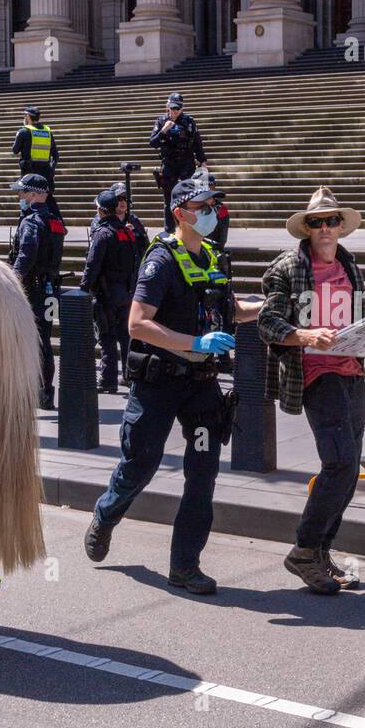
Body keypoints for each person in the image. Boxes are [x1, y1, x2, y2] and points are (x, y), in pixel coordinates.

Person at [83, 178, 262, 595]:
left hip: (201, 386)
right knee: (140, 466)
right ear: (180, 211)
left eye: (214, 206)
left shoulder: (215, 257)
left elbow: (229, 309)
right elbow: (137, 324)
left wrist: (269, 307)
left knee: (202, 476)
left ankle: (185, 566)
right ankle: (106, 515)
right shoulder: (161, 260)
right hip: (159, 382)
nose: (212, 212)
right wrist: (194, 342)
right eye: (203, 206)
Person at [258, 188, 365, 594]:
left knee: (349, 468)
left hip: (352, 370)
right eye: (317, 222)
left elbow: (356, 320)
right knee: (338, 463)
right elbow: (268, 324)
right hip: (316, 374)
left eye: (331, 221)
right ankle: (304, 550)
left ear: (341, 227)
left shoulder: (348, 264)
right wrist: (305, 335)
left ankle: (320, 551)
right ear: (307, 228)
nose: (325, 228)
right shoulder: (288, 268)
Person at [11, 174, 66, 410]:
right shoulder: (55, 221)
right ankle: (46, 393)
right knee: (43, 338)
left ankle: (29, 391)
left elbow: (27, 254)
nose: (19, 197)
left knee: (28, 339)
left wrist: (11, 280)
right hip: (50, 286)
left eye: (22, 193)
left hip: (32, 287)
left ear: (33, 195)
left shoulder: (31, 222)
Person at [81, 189, 139, 393]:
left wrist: (84, 289)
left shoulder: (102, 233)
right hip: (126, 293)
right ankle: (129, 375)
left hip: (106, 294)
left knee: (107, 337)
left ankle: (108, 380)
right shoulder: (127, 233)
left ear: (102, 211)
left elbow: (92, 264)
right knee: (125, 337)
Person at [149, 92, 208, 233]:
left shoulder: (188, 121)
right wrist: (164, 130)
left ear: (182, 108)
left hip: (186, 163)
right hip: (169, 164)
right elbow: (153, 143)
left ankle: (191, 229)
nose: (175, 111)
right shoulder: (161, 121)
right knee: (169, 199)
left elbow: (197, 142)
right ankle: (169, 231)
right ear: (167, 107)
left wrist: (202, 161)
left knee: (190, 196)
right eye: (172, 108)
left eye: (178, 108)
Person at [12, 105, 61, 217]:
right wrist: (52, 170)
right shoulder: (47, 131)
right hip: (46, 173)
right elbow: (56, 155)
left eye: (25, 115)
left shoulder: (24, 131)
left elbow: (15, 150)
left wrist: (18, 134)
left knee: (26, 201)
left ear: (28, 117)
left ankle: (23, 224)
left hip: (29, 173)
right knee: (47, 200)